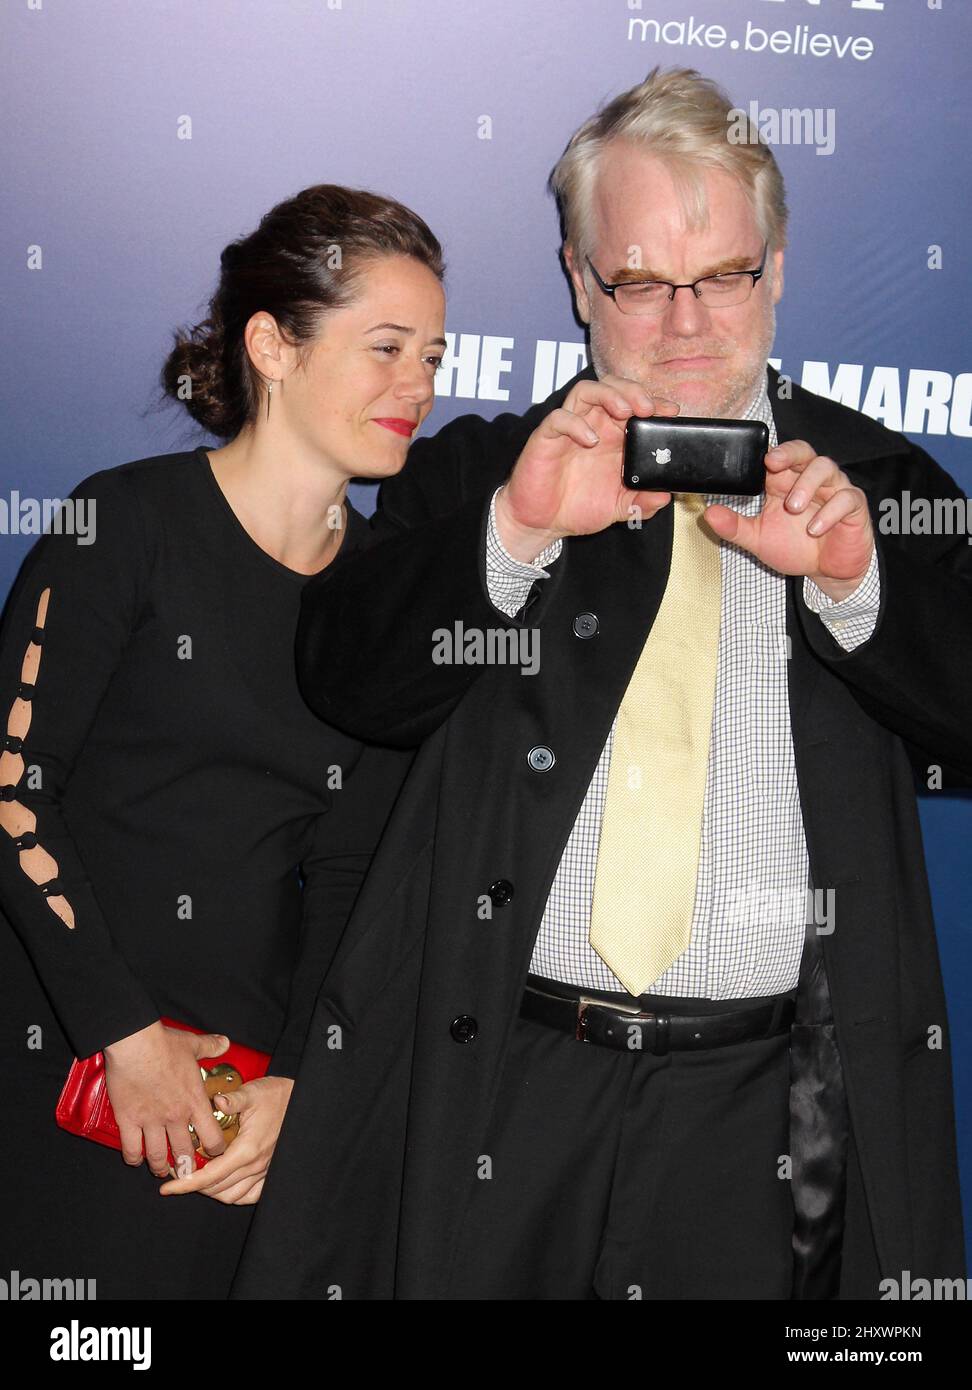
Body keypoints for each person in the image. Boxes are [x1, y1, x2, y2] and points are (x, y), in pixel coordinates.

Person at [230, 68, 969, 1301]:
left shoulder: (877, 486)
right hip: (503, 1089)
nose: (686, 322)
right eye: (637, 280)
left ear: (776, 268)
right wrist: (515, 535)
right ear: (580, 282)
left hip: (766, 1118)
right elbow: (346, 677)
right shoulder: (486, 471)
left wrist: (854, 582)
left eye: (723, 274)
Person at [0, 183, 446, 1297]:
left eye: (434, 357)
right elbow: (13, 794)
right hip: (69, 1044)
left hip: (240, 1100)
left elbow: (355, 876)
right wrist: (124, 1032)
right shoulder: (125, 526)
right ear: (272, 345)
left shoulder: (384, 595)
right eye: (387, 348)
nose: (419, 389)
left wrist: (299, 1081)